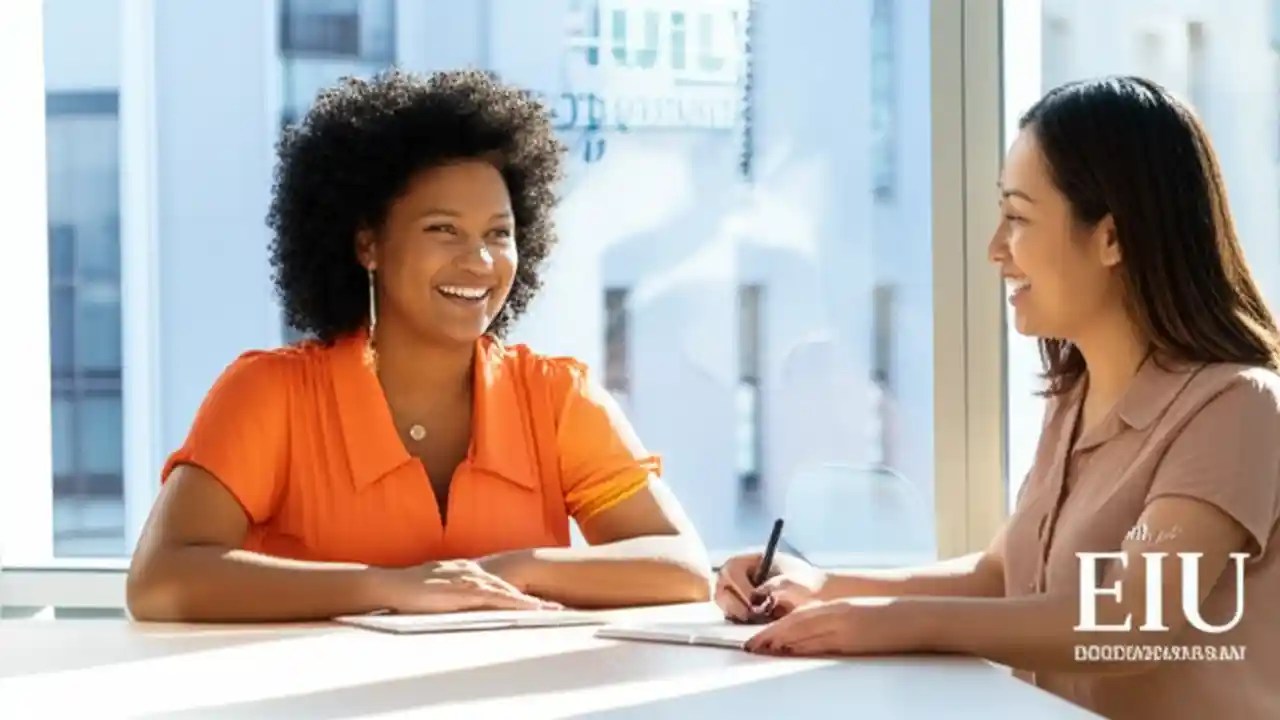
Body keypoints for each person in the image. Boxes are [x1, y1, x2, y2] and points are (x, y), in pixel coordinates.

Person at [715, 76, 1280, 720]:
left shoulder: (1238, 407)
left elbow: (1132, 618)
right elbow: (1000, 578)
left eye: (1016, 217)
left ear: (1113, 238)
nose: (995, 250)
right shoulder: (1075, 398)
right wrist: (819, 587)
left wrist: (893, 622)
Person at [127, 69, 711, 623]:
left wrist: (516, 568)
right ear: (367, 245)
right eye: (443, 229)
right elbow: (160, 579)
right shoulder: (270, 395)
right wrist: (387, 586)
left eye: (498, 233)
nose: (480, 260)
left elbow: (683, 570)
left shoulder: (557, 398)